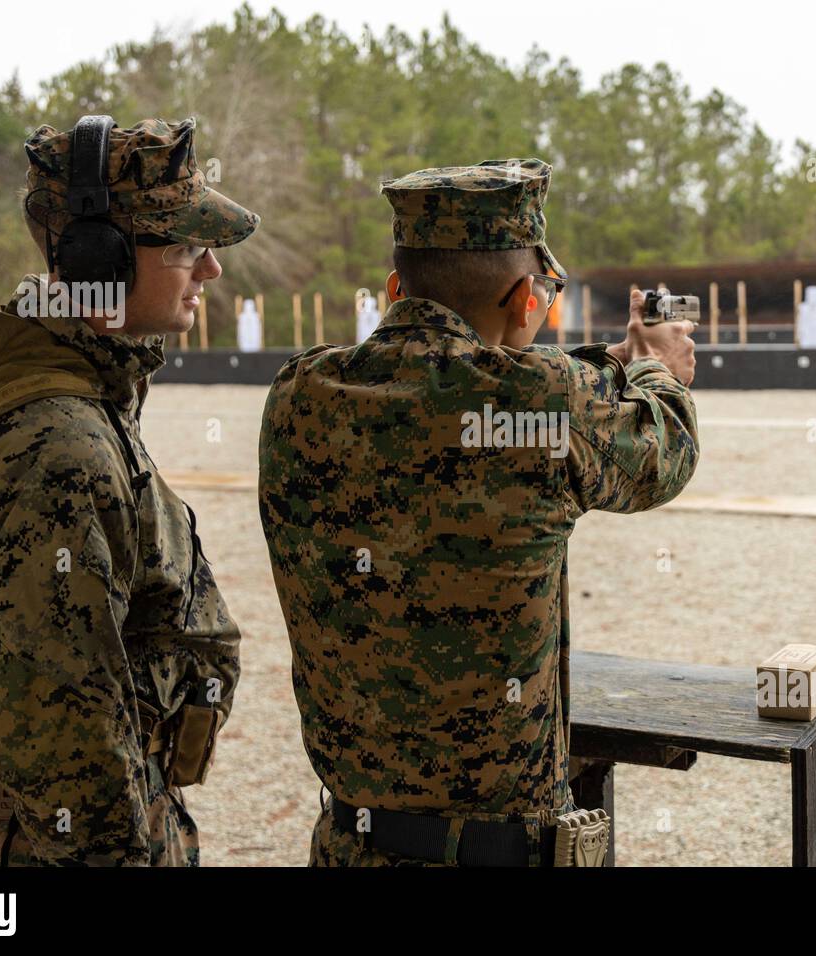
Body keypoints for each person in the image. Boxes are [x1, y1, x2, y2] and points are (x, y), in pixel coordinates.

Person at [258, 158, 698, 866]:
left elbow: (483, 380)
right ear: (526, 298)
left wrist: (613, 361)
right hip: (492, 850)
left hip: (347, 843)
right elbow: (662, 453)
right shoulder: (542, 402)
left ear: (395, 288)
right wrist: (654, 369)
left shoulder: (299, 391)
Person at [0, 116, 259, 866]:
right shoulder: (61, 448)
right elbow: (64, 734)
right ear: (103, 261)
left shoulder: (71, 388)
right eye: (185, 247)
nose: (210, 270)